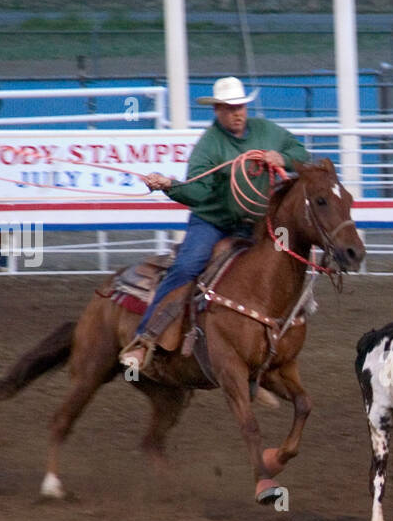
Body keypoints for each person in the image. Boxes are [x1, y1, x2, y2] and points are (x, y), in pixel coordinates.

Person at [121, 77, 309, 371]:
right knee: (187, 266)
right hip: (213, 223)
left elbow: (301, 154)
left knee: (283, 258)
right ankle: (145, 336)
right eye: (230, 108)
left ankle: (283, 322)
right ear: (218, 110)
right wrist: (169, 185)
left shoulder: (267, 132)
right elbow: (197, 192)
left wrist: (281, 157)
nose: (238, 114)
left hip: (255, 222)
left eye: (241, 107)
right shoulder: (209, 146)